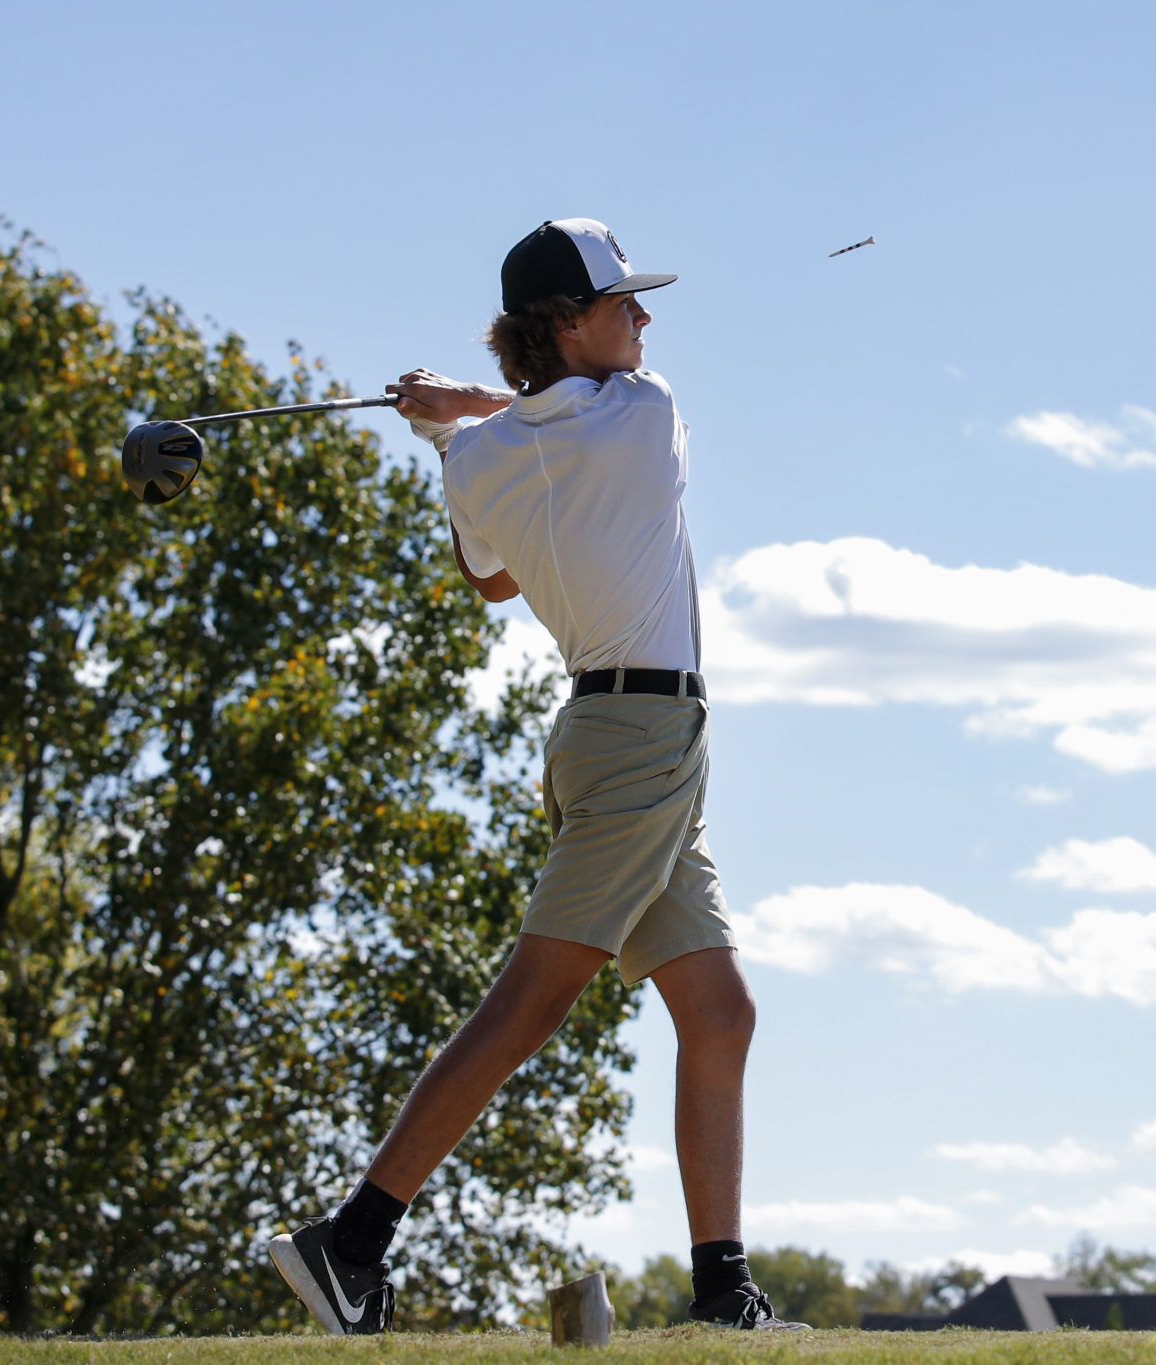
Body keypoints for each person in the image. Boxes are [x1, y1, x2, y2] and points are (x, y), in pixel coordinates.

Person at [268, 218, 802, 1334]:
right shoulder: (644, 412)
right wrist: (465, 403)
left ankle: (720, 1295)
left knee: (718, 1009)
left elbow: (495, 580)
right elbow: (564, 427)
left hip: (614, 738)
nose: (644, 322)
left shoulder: (474, 459)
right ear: (567, 326)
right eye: (623, 304)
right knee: (529, 1002)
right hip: (638, 742)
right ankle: (350, 1240)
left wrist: (455, 420)